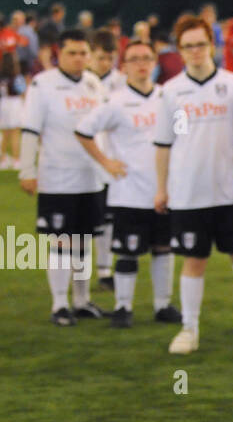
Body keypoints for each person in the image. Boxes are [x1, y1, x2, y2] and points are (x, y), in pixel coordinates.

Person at [153, 14, 233, 357]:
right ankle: (189, 329)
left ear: (212, 45)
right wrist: (161, 189)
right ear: (179, 50)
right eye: (188, 46)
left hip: (228, 191)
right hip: (188, 194)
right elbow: (164, 144)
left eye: (200, 45)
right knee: (194, 261)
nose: (195, 51)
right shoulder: (172, 92)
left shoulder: (232, 85)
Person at [75, 39, 181, 327]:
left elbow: (184, 135)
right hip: (129, 192)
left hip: (164, 190)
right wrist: (105, 161)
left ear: (155, 63)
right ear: (124, 67)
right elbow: (83, 130)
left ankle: (163, 305)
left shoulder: (169, 97)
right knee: (127, 252)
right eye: (134, 59)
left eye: (147, 58)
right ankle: (123, 306)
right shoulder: (115, 101)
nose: (142, 64)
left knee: (163, 248)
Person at [18, 28, 108, 325]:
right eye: (72, 53)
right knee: (61, 241)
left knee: (83, 240)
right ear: (59, 53)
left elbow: (105, 127)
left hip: (91, 177)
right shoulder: (43, 85)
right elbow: (31, 129)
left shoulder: (94, 84)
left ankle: (81, 300)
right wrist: (27, 170)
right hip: (57, 177)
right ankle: (59, 304)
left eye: (84, 53)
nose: (79, 58)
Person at [86, 29, 124, 288]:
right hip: (88, 160)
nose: (105, 63)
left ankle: (104, 269)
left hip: (115, 159)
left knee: (111, 219)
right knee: (87, 223)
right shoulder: (83, 83)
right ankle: (81, 278)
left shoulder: (121, 82)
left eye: (109, 58)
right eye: (100, 58)